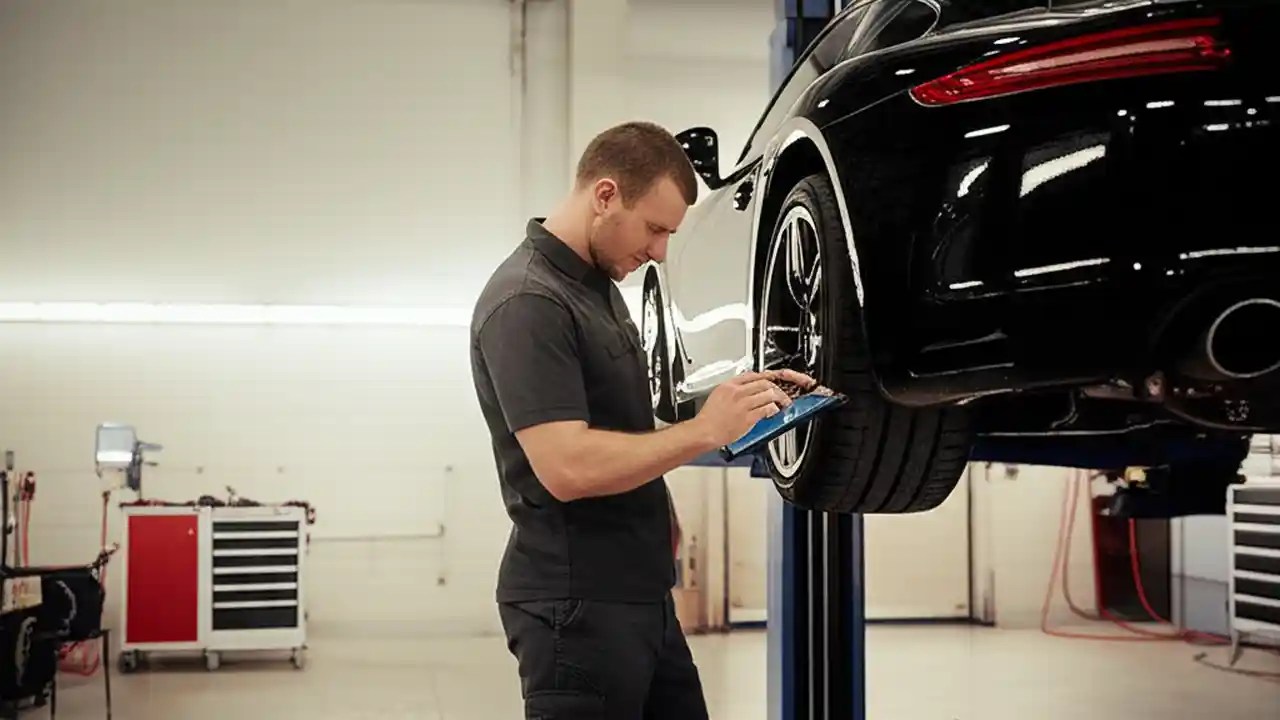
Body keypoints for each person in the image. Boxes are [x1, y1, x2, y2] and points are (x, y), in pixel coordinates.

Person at [469, 120, 811, 719]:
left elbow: (618, 431)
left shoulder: (596, 290)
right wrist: (706, 432)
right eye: (655, 229)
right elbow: (567, 466)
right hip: (576, 611)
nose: (658, 252)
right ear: (605, 196)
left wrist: (738, 403)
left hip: (640, 597)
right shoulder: (528, 302)